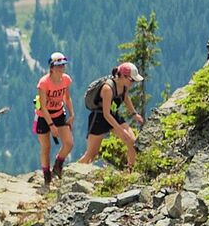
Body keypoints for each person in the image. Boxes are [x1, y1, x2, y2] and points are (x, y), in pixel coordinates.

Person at [81, 62, 145, 165]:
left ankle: (130, 173)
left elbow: (125, 97)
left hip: (113, 115)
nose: (133, 82)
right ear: (123, 76)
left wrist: (134, 114)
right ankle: (71, 171)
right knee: (91, 154)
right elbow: (106, 114)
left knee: (132, 142)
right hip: (99, 118)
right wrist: (121, 131)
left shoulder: (124, 85)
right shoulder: (108, 89)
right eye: (132, 80)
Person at [33, 53, 74, 185]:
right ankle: (46, 176)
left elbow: (66, 98)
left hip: (59, 113)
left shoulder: (66, 79)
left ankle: (58, 165)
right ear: (52, 67)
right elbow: (43, 107)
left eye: (62, 65)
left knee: (68, 143)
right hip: (43, 117)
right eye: (58, 66)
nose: (61, 68)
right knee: (46, 147)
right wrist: (51, 125)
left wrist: (71, 114)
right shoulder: (44, 83)